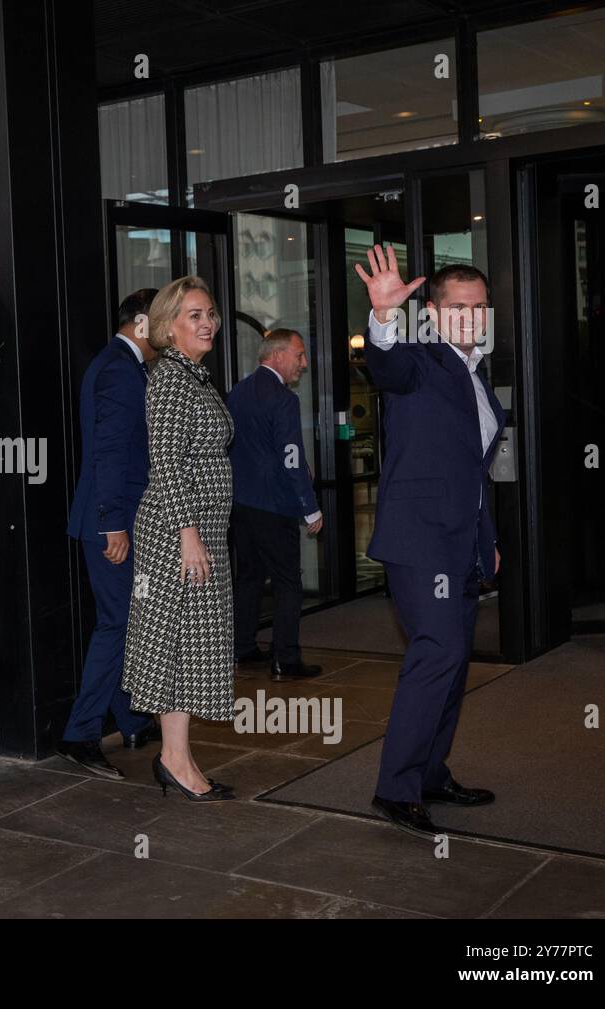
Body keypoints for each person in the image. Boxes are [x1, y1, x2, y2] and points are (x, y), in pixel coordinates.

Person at [354, 247, 505, 837]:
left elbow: (475, 473)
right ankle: (395, 788)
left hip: (461, 541)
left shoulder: (474, 373)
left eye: (480, 307)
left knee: (452, 661)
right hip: (419, 542)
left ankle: (430, 774)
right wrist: (384, 318)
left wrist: (485, 539)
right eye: (458, 307)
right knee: (435, 654)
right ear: (435, 314)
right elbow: (386, 365)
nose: (470, 316)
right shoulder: (420, 361)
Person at [122, 276, 235, 802]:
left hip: (199, 529)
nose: (208, 321)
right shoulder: (169, 378)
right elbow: (166, 464)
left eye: (210, 312)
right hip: (177, 532)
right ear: (168, 325)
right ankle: (173, 759)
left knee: (188, 647)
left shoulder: (195, 377)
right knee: (175, 645)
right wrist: (189, 536)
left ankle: (178, 757)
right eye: (194, 314)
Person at [59, 289, 160, 779]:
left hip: (115, 518)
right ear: (142, 322)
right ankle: (80, 734)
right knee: (118, 624)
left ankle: (132, 718)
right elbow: (109, 453)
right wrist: (112, 523)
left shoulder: (126, 365)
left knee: (127, 621)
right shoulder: (120, 370)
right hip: (109, 524)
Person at [227, 328, 323, 680]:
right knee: (287, 583)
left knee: (249, 576)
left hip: (241, 504)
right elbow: (292, 457)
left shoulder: (238, 392)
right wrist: (309, 507)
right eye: (298, 355)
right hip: (275, 505)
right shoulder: (283, 399)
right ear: (277, 355)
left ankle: (242, 647)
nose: (303, 364)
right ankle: (286, 658)